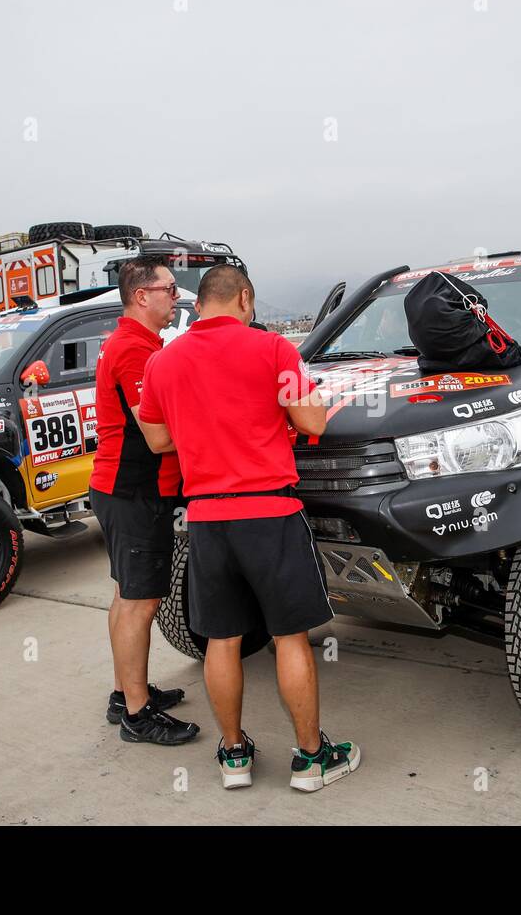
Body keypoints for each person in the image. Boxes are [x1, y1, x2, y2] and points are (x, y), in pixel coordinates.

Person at [138, 264, 361, 793]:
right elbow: (313, 422)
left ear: (200, 303)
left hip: (207, 520)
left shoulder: (164, 362)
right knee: (290, 639)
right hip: (270, 515)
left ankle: (234, 754)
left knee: (222, 640)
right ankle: (312, 759)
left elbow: (156, 439)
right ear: (244, 299)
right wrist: (279, 415)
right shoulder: (275, 350)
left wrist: (204, 423)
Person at [88, 256, 197, 746]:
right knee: (141, 601)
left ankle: (124, 692)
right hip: (135, 490)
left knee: (125, 596)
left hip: (121, 488)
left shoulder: (139, 342)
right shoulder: (134, 348)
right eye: (170, 290)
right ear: (141, 295)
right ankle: (137, 713)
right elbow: (156, 435)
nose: (177, 298)